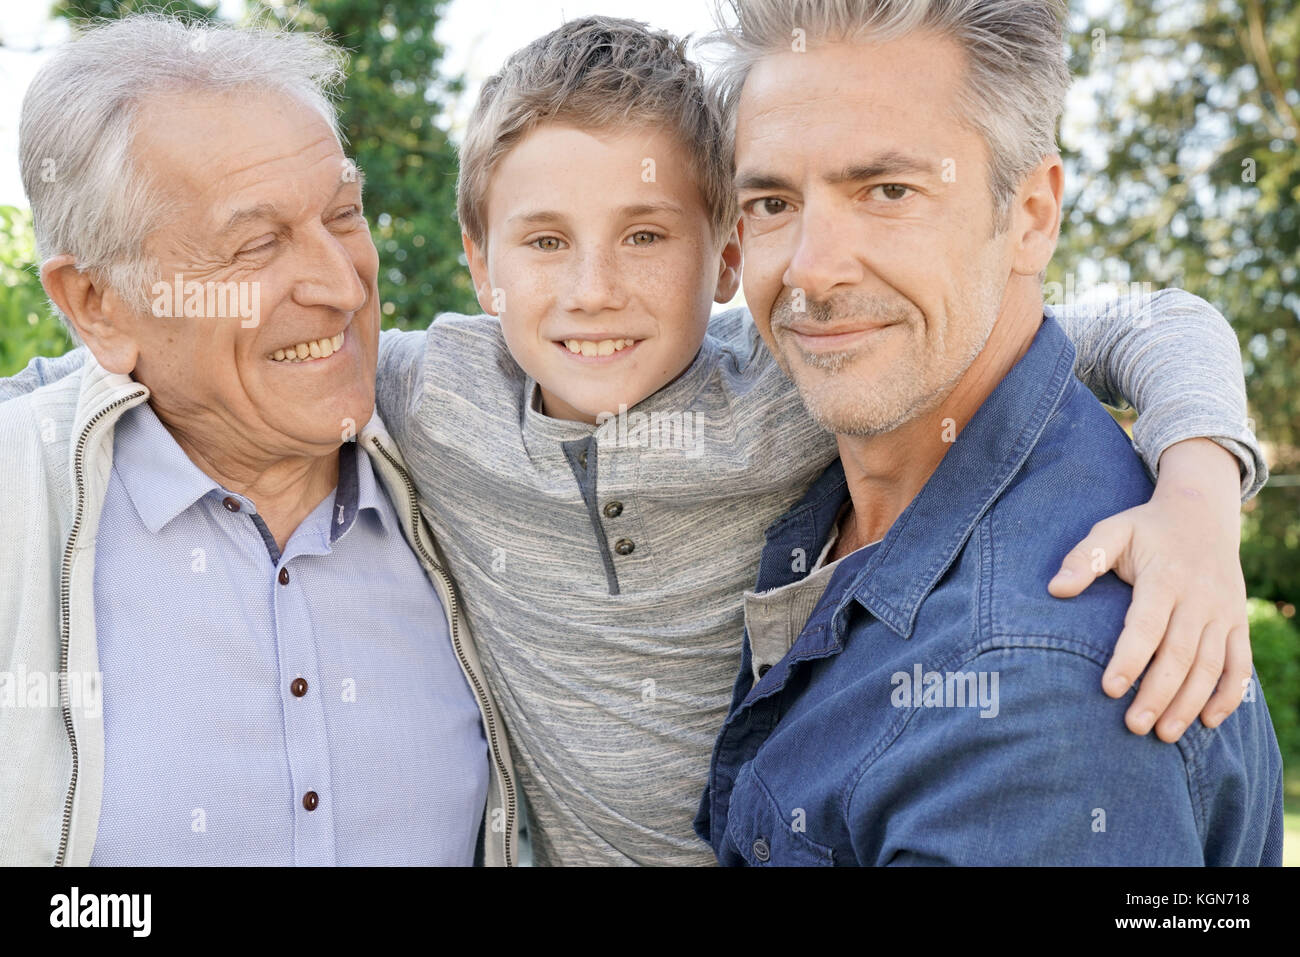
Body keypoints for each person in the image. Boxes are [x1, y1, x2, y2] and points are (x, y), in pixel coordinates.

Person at [3, 15, 1268, 866]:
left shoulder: (799, 374)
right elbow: (123, 361)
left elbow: (1129, 320)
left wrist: (1204, 486)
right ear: (478, 264)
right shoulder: (431, 393)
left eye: (648, 235)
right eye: (543, 242)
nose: (593, 290)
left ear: (722, 254)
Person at [694, 0, 1283, 865]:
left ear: (1032, 215)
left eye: (887, 190)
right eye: (775, 201)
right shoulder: (840, 432)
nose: (812, 271)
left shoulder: (1033, 692)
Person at [0, 17, 517, 866]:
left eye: (344, 214)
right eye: (256, 243)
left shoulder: (469, 454)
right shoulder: (20, 504)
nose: (343, 283)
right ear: (97, 303)